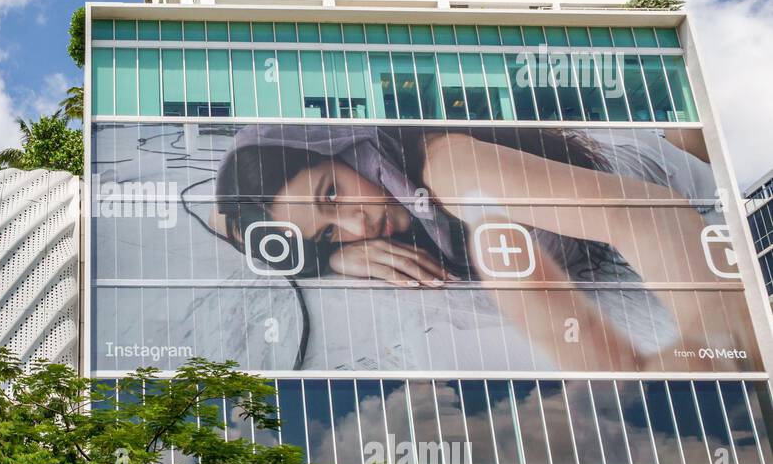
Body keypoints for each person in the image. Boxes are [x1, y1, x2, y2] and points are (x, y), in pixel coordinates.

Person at [213, 123, 754, 372]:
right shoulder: (366, 218)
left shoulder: (446, 166)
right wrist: (328, 257)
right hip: (572, 200)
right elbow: (223, 220)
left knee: (709, 161)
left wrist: (720, 343)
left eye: (332, 192)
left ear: (345, 145)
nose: (358, 224)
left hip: (644, 174)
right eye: (330, 230)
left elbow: (639, 213)